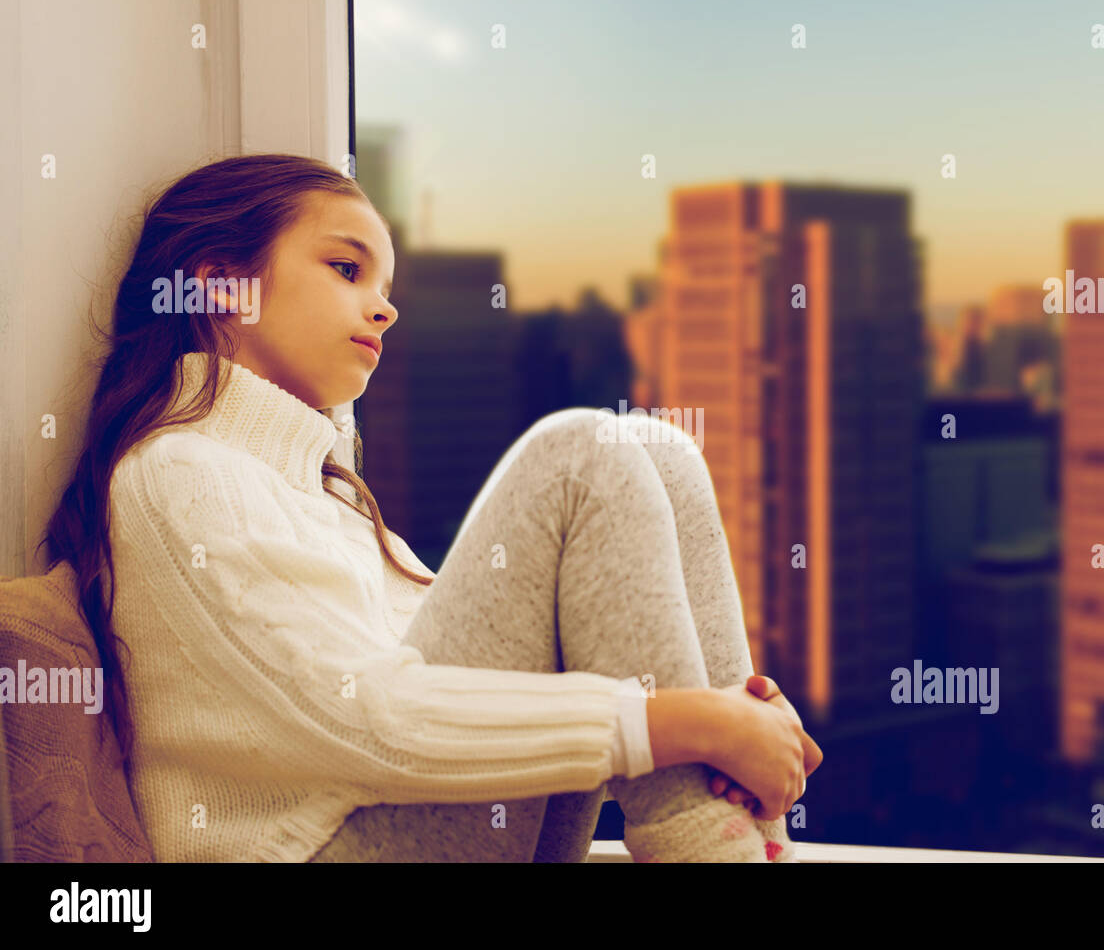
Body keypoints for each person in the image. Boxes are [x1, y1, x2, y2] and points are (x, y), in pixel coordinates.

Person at [38, 153, 822, 863]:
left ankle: (744, 836)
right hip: (322, 849)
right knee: (583, 455)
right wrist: (688, 722)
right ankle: (712, 846)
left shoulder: (333, 502)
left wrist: (728, 725)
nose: (384, 310)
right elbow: (366, 727)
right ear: (220, 284)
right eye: (347, 269)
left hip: (417, 826)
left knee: (663, 454)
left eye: (385, 289)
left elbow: (497, 704)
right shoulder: (179, 473)